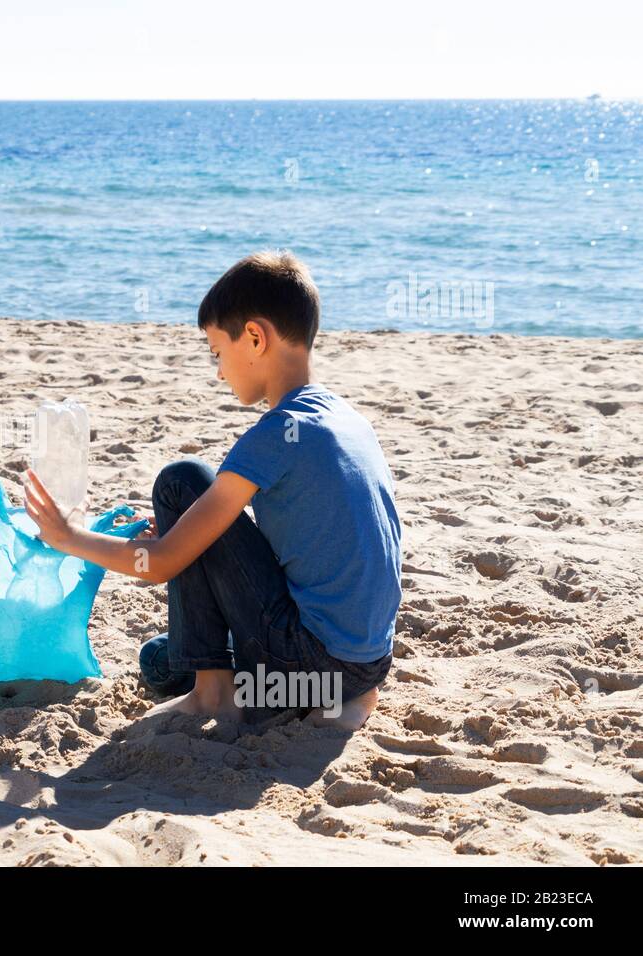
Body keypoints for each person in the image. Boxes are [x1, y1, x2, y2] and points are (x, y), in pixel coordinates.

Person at [24, 251, 401, 731]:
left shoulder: (275, 432)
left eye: (217, 354)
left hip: (307, 664)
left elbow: (160, 563)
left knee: (182, 483)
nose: (219, 372)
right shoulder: (347, 419)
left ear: (255, 338)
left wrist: (68, 536)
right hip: (366, 665)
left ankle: (211, 697)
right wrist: (197, 537)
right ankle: (328, 700)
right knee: (160, 659)